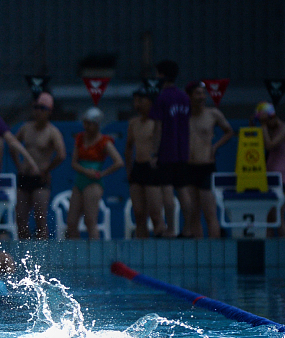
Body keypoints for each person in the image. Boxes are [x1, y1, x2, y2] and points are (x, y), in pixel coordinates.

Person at [10, 92, 66, 239]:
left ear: (49, 111)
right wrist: (18, 165)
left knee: (40, 219)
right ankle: (25, 250)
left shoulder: (52, 132)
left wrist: (46, 170)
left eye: (42, 108)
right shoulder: (26, 128)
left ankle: (42, 251)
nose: (38, 111)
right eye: (36, 107)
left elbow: (61, 155)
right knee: (20, 220)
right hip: (24, 177)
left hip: (40, 180)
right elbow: (12, 145)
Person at [66, 107, 124, 239]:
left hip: (93, 184)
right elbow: (74, 163)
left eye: (89, 124)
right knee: (71, 222)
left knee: (90, 221)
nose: (86, 127)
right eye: (85, 123)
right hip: (80, 181)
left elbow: (119, 162)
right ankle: (75, 250)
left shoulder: (104, 142)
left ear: (97, 125)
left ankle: (95, 251)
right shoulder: (80, 138)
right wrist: (86, 171)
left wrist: (102, 174)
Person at [186, 81, 235, 238]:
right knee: (193, 214)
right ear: (189, 96)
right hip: (188, 168)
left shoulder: (213, 114)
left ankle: (214, 249)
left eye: (203, 93)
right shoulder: (184, 116)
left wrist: (215, 147)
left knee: (210, 213)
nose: (201, 97)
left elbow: (229, 131)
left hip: (206, 167)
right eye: (197, 93)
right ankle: (198, 249)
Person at [150, 60, 191, 237]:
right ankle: (188, 229)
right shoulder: (185, 98)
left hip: (167, 151)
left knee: (167, 190)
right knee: (183, 190)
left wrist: (154, 153)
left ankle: (171, 229)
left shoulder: (161, 98)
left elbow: (158, 128)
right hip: (182, 151)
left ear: (161, 75)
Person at [125, 87, 168, 238]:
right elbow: (128, 147)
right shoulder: (133, 123)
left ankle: (160, 245)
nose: (137, 104)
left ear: (150, 102)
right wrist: (129, 170)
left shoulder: (157, 123)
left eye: (140, 101)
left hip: (152, 169)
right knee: (139, 214)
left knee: (155, 214)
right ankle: (141, 248)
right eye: (135, 101)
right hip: (138, 168)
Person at [257, 102, 285, 237]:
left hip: (281, 178)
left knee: (279, 219)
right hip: (267, 177)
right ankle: (269, 249)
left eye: (267, 121)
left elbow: (270, 146)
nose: (266, 125)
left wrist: (263, 126)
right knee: (268, 220)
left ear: (273, 116)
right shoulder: (268, 129)